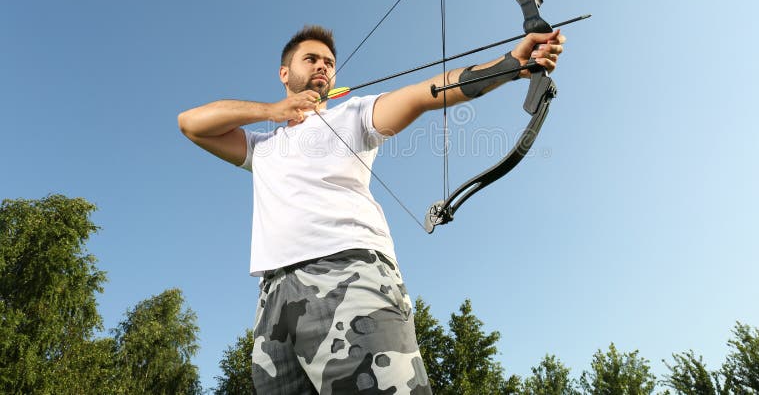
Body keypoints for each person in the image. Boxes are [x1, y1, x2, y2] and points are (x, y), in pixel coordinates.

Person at [178, 24, 564, 394]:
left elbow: (424, 94)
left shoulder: (355, 115)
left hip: (350, 277)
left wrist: (512, 65)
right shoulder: (261, 146)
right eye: (311, 59)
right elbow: (191, 123)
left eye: (328, 62)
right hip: (274, 302)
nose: (322, 67)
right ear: (284, 72)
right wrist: (272, 110)